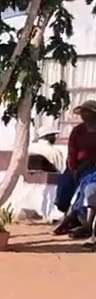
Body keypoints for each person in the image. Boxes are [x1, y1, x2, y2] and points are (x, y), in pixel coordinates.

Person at [54, 100, 96, 234]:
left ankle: (73, 218)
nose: (84, 115)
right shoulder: (78, 131)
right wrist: (73, 169)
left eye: (87, 112)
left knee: (86, 185)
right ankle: (67, 215)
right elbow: (72, 150)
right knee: (65, 185)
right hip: (76, 165)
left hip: (92, 166)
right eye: (83, 112)